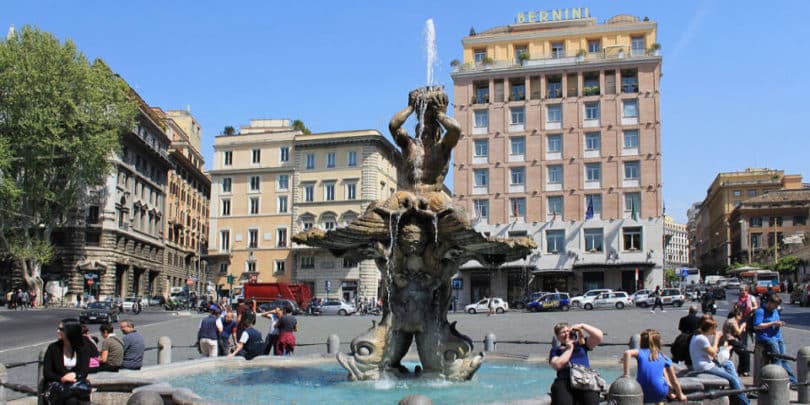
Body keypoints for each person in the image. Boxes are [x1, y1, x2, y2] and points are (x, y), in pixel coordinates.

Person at [689, 318, 749, 405]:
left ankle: (739, 398)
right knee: (732, 379)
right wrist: (717, 338)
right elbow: (713, 352)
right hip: (705, 367)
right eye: (714, 329)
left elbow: (708, 353)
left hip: (704, 364)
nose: (714, 332)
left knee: (729, 364)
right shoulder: (702, 339)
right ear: (710, 328)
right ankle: (744, 402)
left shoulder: (697, 336)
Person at [622, 329, 687, 404]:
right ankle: (669, 394)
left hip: (642, 392)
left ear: (641, 342)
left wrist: (626, 375)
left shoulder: (640, 352)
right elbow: (674, 381)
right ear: (658, 342)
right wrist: (680, 394)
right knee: (663, 374)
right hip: (660, 393)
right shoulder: (664, 357)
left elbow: (627, 353)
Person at [548, 322, 604, 405]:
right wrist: (569, 349)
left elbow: (599, 336)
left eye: (568, 331)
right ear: (558, 337)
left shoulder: (581, 344)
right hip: (564, 380)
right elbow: (557, 365)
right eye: (563, 332)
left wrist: (582, 326)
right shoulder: (556, 350)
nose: (566, 334)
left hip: (585, 379)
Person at [42, 318, 92, 405]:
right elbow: (47, 372)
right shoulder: (53, 348)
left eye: (61, 329)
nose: (57, 331)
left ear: (71, 331)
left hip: (75, 386)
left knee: (73, 399)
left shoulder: (82, 348)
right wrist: (62, 378)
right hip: (58, 387)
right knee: (70, 400)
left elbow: (84, 370)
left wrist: (75, 374)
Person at [753, 294, 796, 383]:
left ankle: (792, 380)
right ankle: (778, 379)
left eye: (777, 306)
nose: (776, 307)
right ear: (769, 303)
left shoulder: (775, 310)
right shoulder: (760, 311)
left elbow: (776, 321)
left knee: (783, 357)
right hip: (766, 337)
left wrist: (779, 323)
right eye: (775, 305)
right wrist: (772, 323)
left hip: (777, 336)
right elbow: (757, 326)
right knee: (777, 358)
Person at [723, 308, 750, 376]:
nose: (741, 318)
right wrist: (743, 326)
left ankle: (740, 370)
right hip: (730, 340)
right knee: (745, 352)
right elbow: (738, 332)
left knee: (738, 354)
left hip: (729, 339)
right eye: (740, 316)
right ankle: (744, 370)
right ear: (737, 315)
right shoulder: (732, 321)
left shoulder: (729, 320)